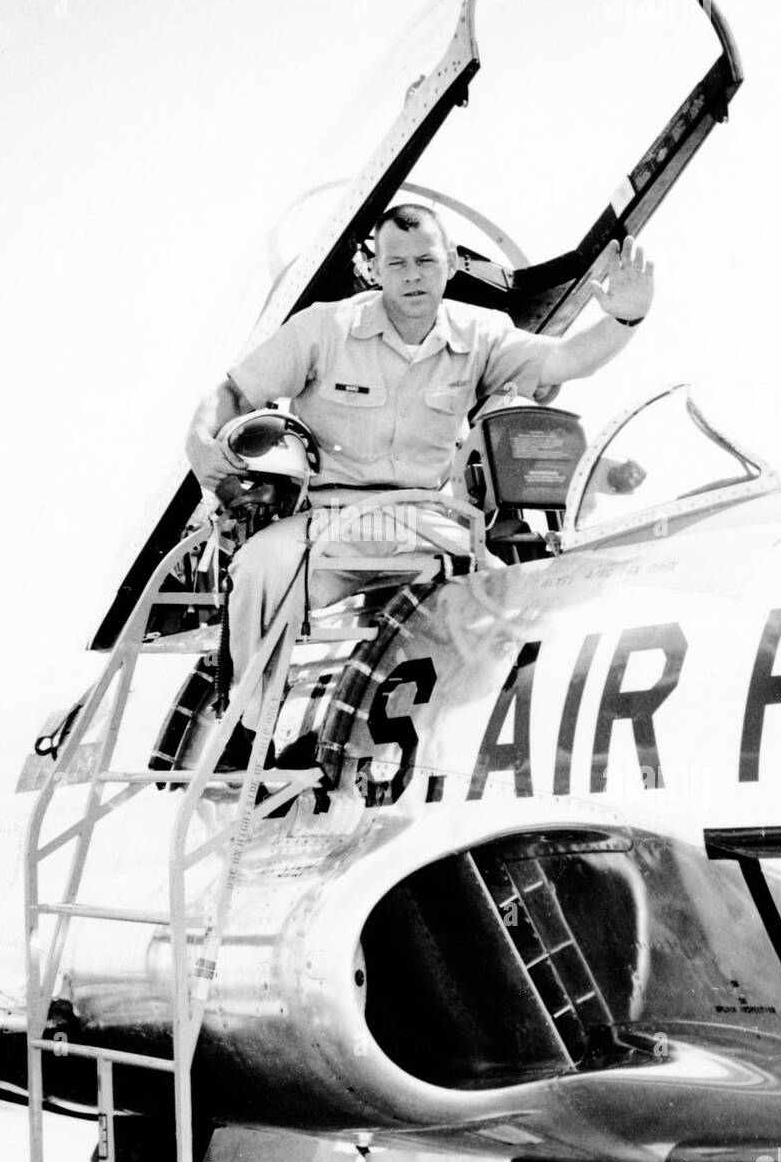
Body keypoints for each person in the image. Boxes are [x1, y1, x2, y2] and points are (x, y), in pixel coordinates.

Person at [185, 203, 654, 757]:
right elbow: (233, 393)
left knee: (511, 595)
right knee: (262, 567)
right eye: (397, 263)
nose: (412, 276)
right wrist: (199, 444)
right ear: (375, 269)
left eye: (425, 261)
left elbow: (565, 361)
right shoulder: (324, 328)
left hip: (427, 521)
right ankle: (251, 731)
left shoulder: (481, 334)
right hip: (329, 521)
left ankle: (454, 739)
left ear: (451, 264)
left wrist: (624, 319)